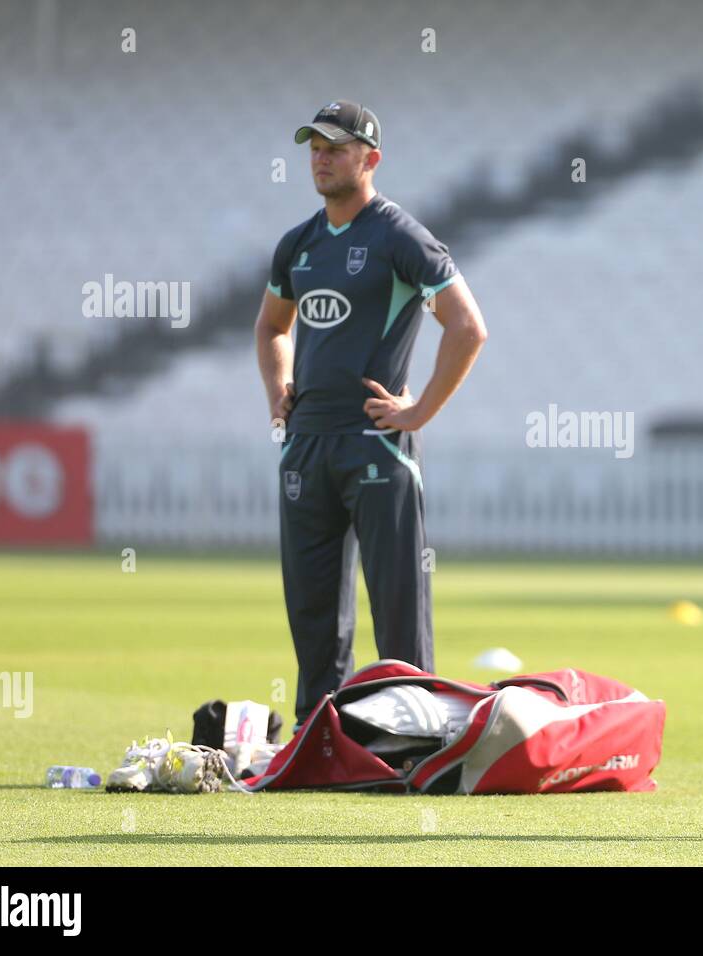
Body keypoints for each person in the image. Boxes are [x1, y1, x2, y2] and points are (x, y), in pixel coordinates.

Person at [254, 100, 488, 728]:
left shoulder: (399, 236)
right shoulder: (297, 244)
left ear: (370, 158)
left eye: (335, 147)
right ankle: (318, 735)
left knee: (398, 607)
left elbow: (468, 327)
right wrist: (279, 387)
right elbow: (273, 327)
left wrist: (421, 410)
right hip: (305, 446)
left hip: (375, 445)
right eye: (314, 147)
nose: (321, 158)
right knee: (311, 607)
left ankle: (416, 734)